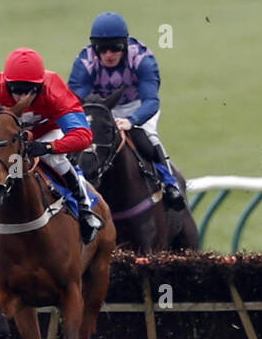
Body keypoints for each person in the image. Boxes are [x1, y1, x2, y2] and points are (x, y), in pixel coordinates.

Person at [0, 47, 104, 244]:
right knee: (8, 167)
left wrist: (49, 147)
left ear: (41, 85)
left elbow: (83, 135)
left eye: (28, 89)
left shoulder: (54, 90)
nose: (21, 95)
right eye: (15, 89)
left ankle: (84, 209)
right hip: (12, 140)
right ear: (6, 83)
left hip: (47, 134)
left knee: (55, 159)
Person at [67, 12, 185, 208]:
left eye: (115, 48)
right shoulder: (85, 63)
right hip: (100, 109)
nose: (109, 54)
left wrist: (132, 120)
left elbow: (151, 101)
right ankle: (72, 189)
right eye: (102, 49)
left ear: (125, 45)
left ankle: (170, 184)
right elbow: (75, 100)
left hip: (137, 106)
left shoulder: (142, 59)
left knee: (147, 138)